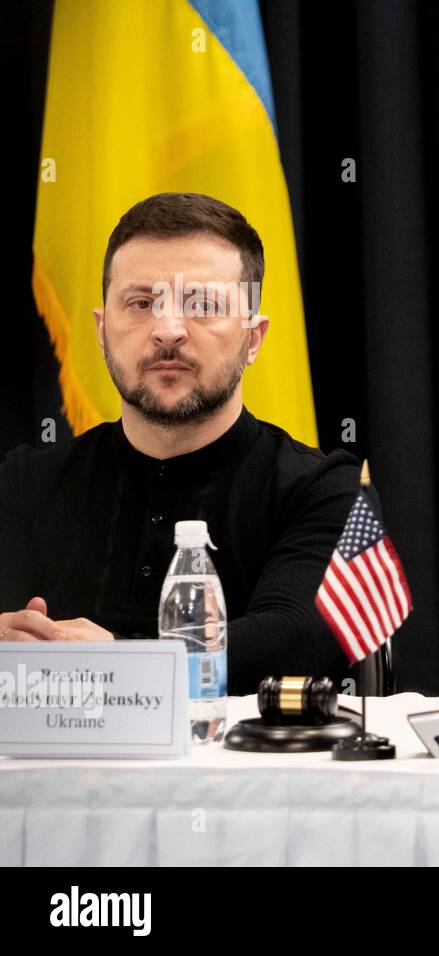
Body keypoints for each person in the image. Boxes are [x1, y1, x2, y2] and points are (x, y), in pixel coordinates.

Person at [0, 192, 359, 694]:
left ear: (253, 338)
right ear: (103, 331)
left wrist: (119, 661)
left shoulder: (324, 488)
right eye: (142, 303)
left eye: (204, 305)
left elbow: (297, 640)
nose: (168, 331)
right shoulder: (24, 482)